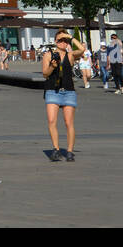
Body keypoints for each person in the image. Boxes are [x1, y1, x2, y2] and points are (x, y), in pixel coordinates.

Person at [42, 32, 83, 162]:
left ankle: (69, 151)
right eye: (60, 40)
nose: (63, 43)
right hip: (52, 91)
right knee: (52, 121)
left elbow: (82, 49)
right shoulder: (48, 55)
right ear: (55, 41)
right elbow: (45, 74)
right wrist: (52, 66)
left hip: (68, 91)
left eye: (65, 41)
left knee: (68, 122)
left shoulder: (70, 55)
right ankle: (56, 149)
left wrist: (71, 37)